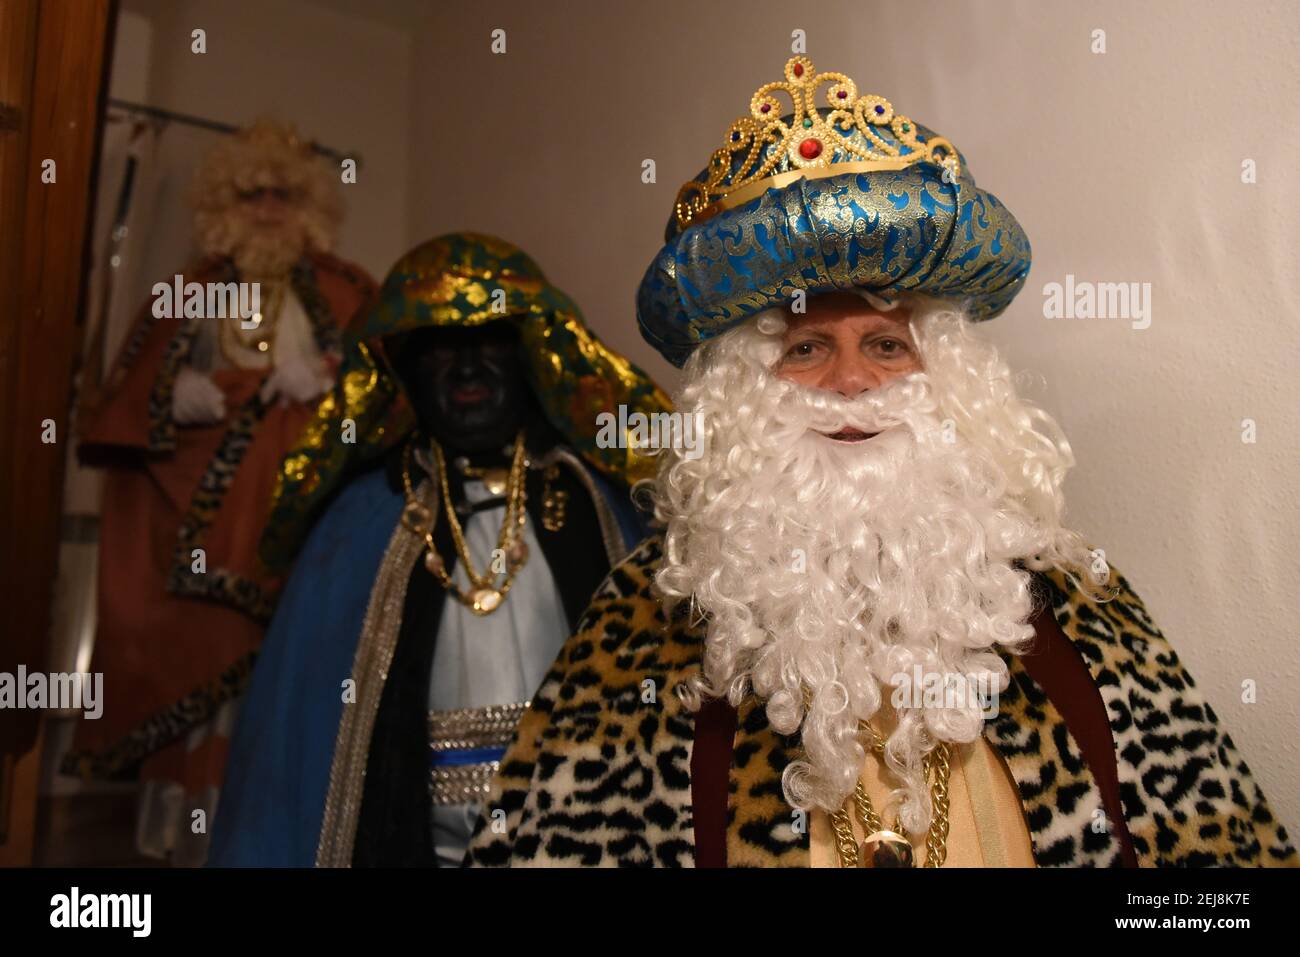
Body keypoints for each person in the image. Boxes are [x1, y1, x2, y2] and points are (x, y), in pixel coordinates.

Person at [468, 57, 1297, 867]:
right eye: (805, 348)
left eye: (887, 344)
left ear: (948, 375)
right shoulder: (642, 622)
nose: (853, 381)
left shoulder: (1075, 604)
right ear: (743, 392)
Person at [209, 232, 670, 866]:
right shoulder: (361, 520)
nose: (468, 368)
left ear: (530, 359)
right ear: (407, 376)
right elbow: (294, 747)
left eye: (489, 343)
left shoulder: (597, 506)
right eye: (440, 351)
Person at [66, 120, 375, 864]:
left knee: (293, 675)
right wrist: (172, 396)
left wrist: (328, 381)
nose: (267, 207)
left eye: (282, 193)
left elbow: (382, 389)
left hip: (301, 532)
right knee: (201, 678)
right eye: (252, 193)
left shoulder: (346, 290)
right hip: (196, 539)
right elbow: (127, 397)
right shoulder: (190, 292)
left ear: (308, 206)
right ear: (224, 204)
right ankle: (193, 841)